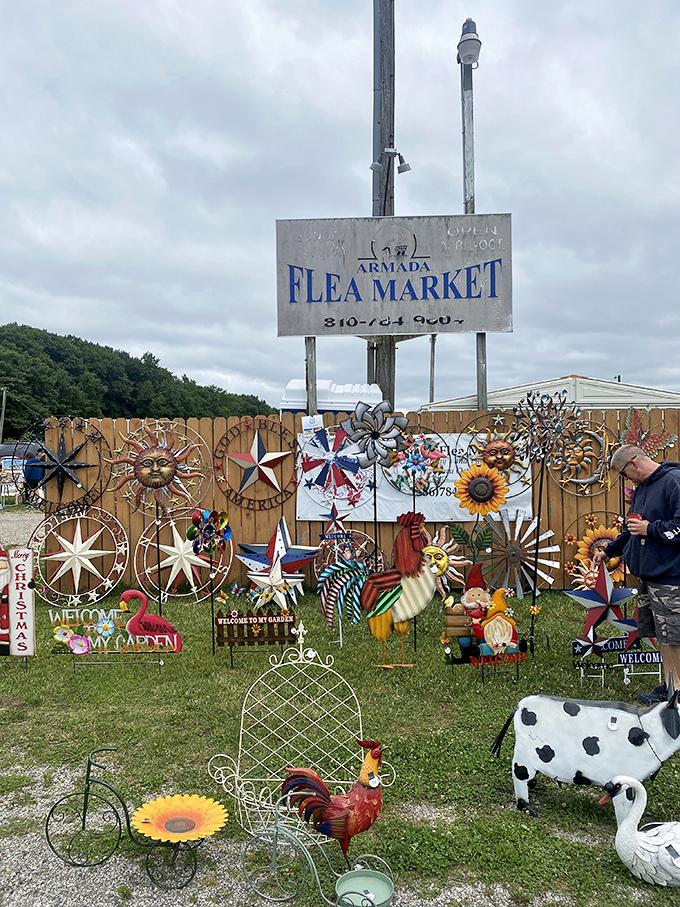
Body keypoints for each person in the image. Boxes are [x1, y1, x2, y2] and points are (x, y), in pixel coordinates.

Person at [592, 444, 680, 703]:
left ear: (634, 463)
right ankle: (671, 685)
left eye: (623, 474)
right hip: (650, 576)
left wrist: (650, 528)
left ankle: (677, 690)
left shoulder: (673, 482)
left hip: (671, 576)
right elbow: (632, 526)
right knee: (664, 635)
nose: (625, 480)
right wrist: (610, 551)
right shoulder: (643, 488)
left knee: (675, 636)